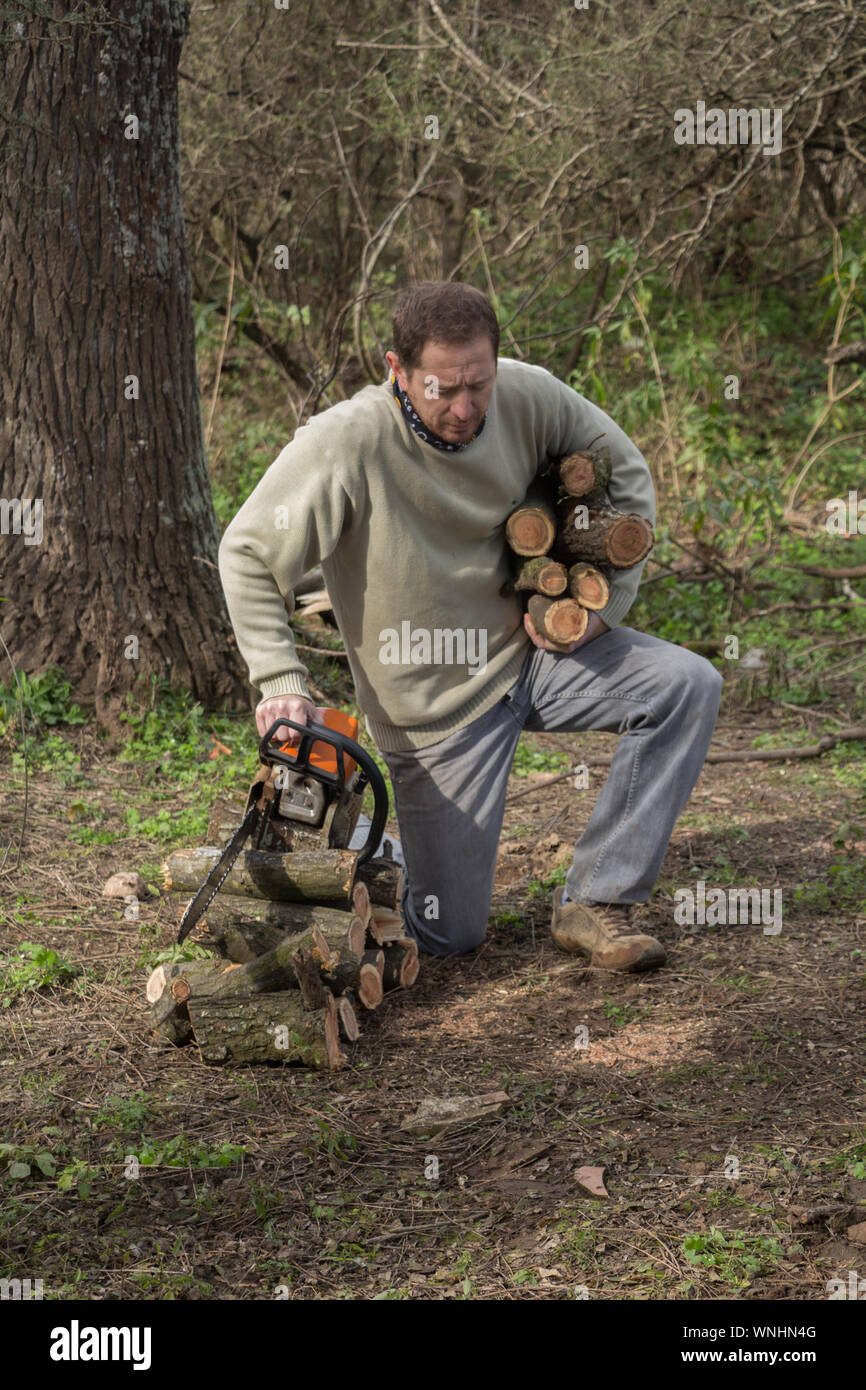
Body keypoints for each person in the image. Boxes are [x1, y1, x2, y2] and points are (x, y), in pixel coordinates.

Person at [218, 282, 722, 972]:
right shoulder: (348, 441)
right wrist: (280, 679)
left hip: (536, 657)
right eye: (441, 389)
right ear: (397, 369)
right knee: (450, 934)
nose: (463, 408)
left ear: (494, 362)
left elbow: (627, 471)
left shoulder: (528, 394)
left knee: (687, 684)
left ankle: (598, 898)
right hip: (438, 717)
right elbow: (245, 550)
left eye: (477, 385)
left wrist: (605, 609)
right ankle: (356, 843)